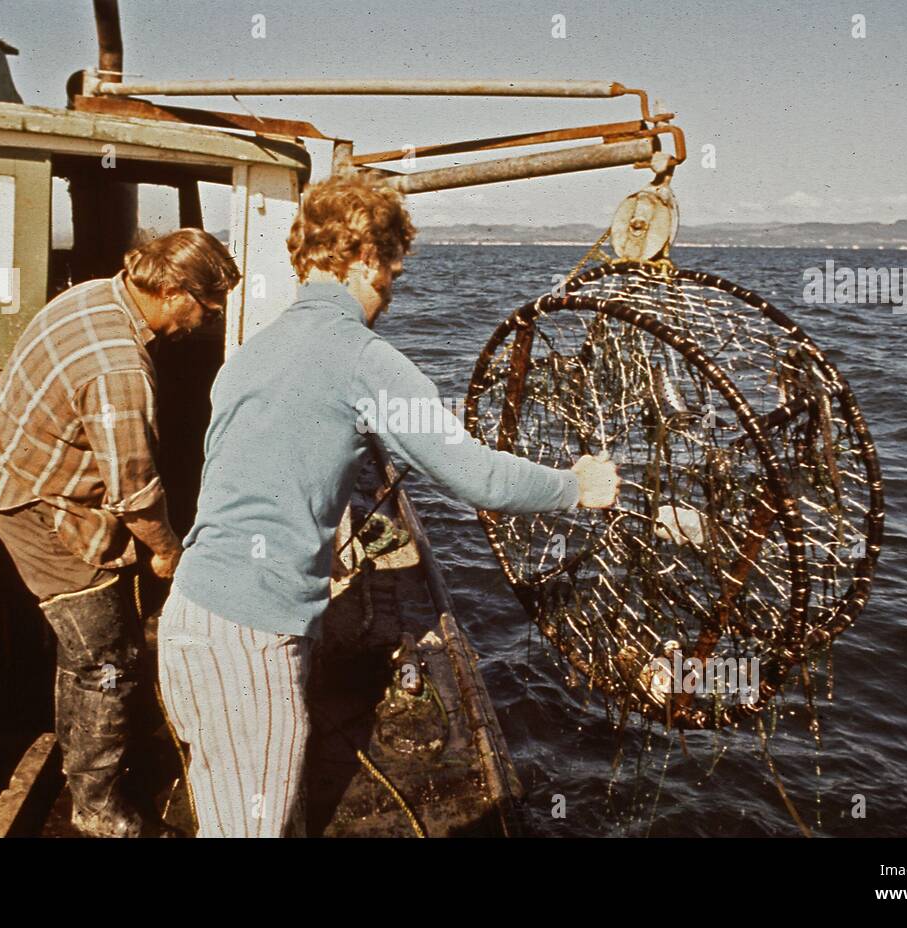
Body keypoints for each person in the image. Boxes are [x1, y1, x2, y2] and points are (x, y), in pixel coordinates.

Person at [157, 173, 619, 838]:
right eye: (394, 272)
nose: (394, 292)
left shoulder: (253, 350)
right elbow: (476, 476)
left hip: (190, 620)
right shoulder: (364, 358)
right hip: (250, 638)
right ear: (368, 260)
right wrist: (577, 486)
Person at [0, 228, 240, 837]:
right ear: (173, 291)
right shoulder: (120, 369)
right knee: (108, 658)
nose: (207, 324)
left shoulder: (95, 293)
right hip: (39, 509)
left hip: (21, 470)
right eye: (207, 309)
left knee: (91, 650)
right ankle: (96, 808)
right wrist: (171, 555)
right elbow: (136, 497)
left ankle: (86, 758)